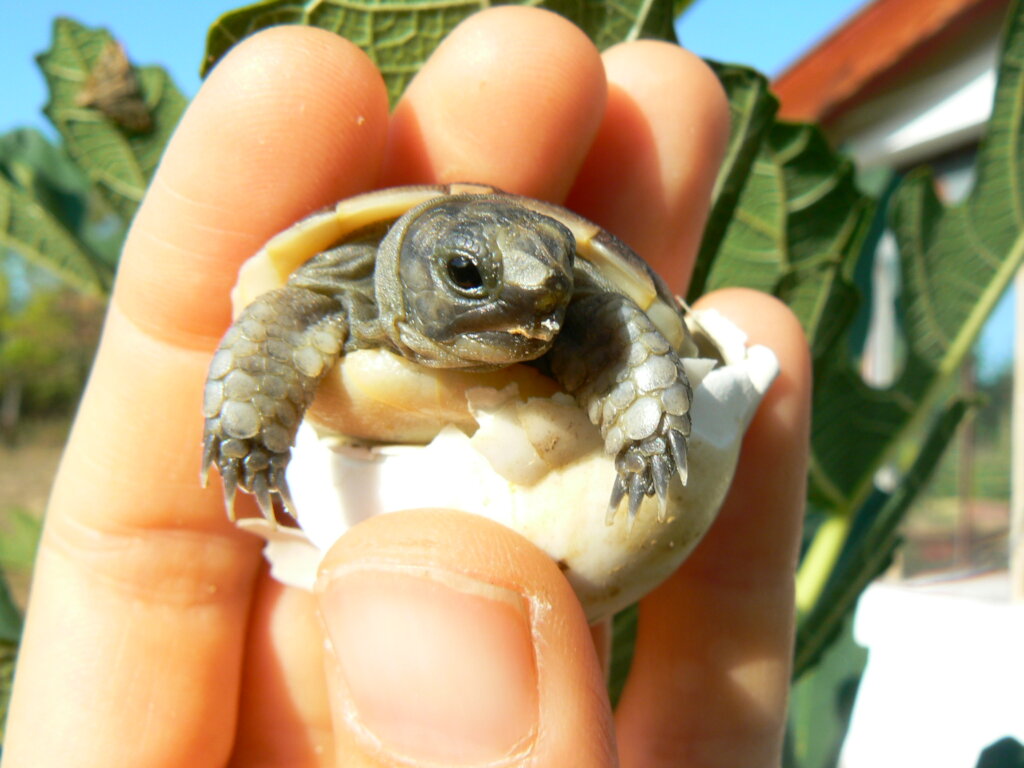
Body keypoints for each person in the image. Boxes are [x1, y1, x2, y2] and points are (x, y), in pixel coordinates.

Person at [2, 7, 810, 767]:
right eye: (468, 278)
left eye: (555, 287)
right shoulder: (329, 291)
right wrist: (249, 425)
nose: (532, 302)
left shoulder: (572, 315)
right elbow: (267, 328)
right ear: (417, 269)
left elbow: (614, 333)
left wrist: (645, 426)